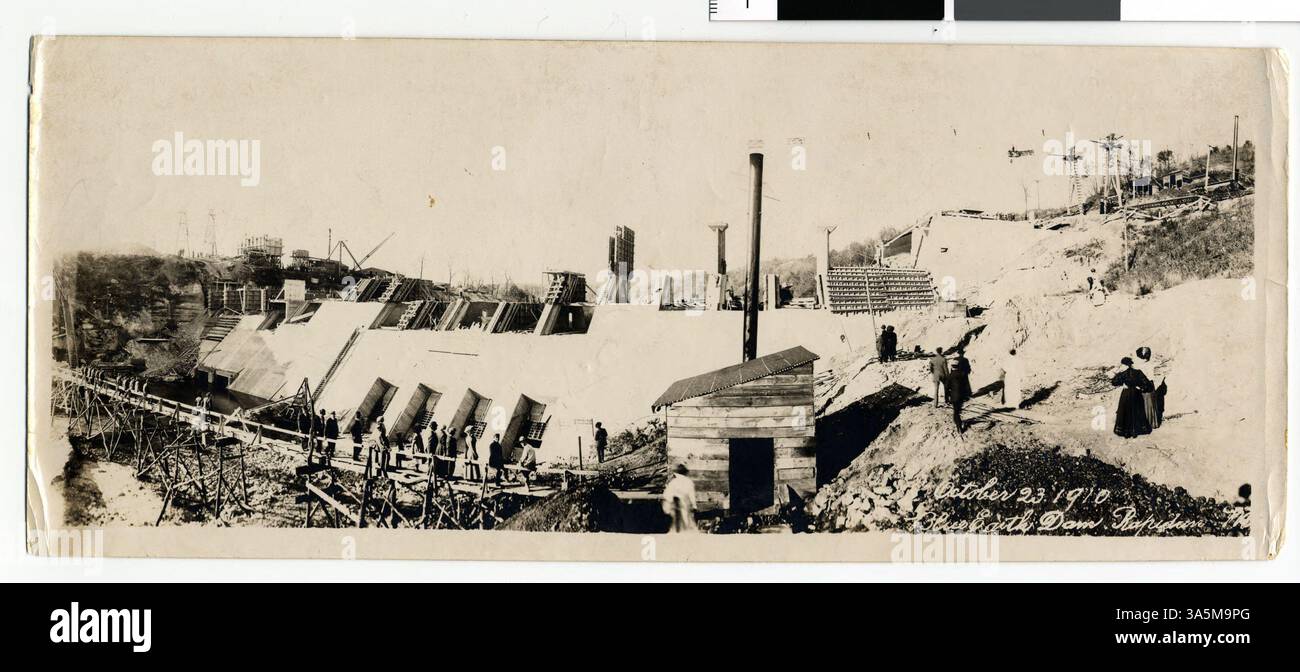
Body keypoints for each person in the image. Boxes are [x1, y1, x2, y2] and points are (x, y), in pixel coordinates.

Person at [1112, 356, 1154, 438]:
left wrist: (1122, 383)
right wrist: (1141, 388)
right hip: (1136, 395)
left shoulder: (1122, 374)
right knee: (1136, 412)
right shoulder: (1138, 372)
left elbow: (1114, 382)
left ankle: (1126, 432)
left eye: (1122, 365)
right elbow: (1148, 385)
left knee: (1125, 412)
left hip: (1126, 395)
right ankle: (1136, 431)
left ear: (1125, 365)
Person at [661, 464, 698, 533]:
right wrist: (694, 506)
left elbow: (667, 495)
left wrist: (667, 508)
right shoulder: (688, 482)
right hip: (682, 505)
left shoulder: (673, 482)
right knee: (685, 522)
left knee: (679, 523)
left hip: (678, 505)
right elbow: (691, 495)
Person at [1135, 346, 1163, 430]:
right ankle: (1151, 423)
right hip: (1149, 384)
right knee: (1149, 404)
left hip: (1145, 385)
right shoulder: (1150, 364)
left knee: (1145, 403)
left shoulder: (1140, 365)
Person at [950, 349, 972, 433]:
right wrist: (967, 372)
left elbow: (952, 368)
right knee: (965, 385)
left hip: (956, 375)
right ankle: (966, 394)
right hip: (963, 375)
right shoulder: (965, 359)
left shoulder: (955, 359)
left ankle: (958, 424)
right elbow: (968, 368)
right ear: (963, 353)